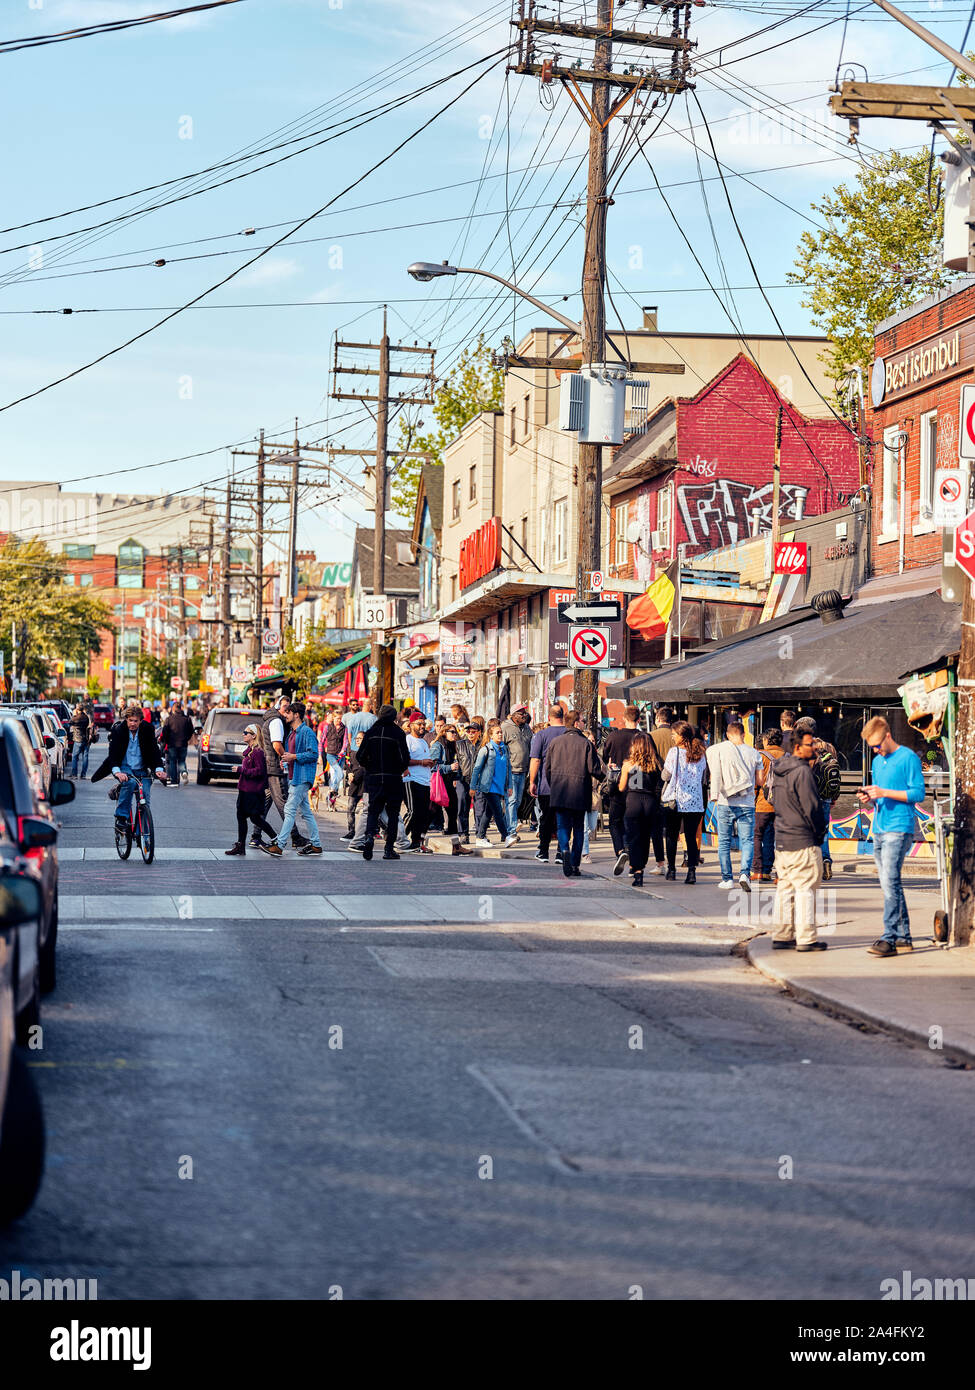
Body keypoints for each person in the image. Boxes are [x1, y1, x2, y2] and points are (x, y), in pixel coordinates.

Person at [859, 716, 926, 959]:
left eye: (877, 744)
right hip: (879, 827)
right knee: (890, 884)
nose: (876, 750)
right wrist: (871, 798)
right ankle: (904, 937)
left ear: (888, 735)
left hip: (899, 827)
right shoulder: (877, 762)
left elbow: (918, 793)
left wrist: (884, 792)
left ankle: (889, 937)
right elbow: (880, 795)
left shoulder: (908, 757)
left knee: (889, 883)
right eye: (872, 747)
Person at [769, 726, 828, 951]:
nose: (814, 747)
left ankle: (782, 935)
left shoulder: (780, 770)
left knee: (785, 888)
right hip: (802, 839)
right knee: (805, 889)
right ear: (797, 747)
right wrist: (819, 833)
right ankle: (806, 938)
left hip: (782, 840)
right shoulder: (802, 772)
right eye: (809, 744)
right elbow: (812, 807)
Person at [91, 702, 167, 835]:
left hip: (143, 768)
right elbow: (113, 753)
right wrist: (117, 772)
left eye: (136, 721)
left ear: (141, 721)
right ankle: (121, 818)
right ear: (126, 719)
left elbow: (154, 751)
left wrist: (159, 769)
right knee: (130, 782)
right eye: (130, 720)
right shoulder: (119, 730)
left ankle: (142, 833)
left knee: (145, 801)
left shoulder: (147, 729)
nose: (133, 723)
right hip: (125, 767)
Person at [706, 717, 764, 892]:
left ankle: (727, 878)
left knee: (724, 840)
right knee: (747, 840)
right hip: (747, 803)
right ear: (744, 734)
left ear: (727, 736)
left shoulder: (720, 751)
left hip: (725, 802)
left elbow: (714, 774)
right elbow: (760, 780)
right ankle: (745, 873)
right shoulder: (754, 753)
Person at [545, 711, 603, 878]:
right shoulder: (585, 744)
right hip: (579, 792)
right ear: (577, 723)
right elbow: (594, 769)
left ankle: (564, 850)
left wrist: (554, 785)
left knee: (563, 825)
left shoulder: (555, 742)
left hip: (560, 791)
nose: (585, 723)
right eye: (583, 721)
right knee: (578, 828)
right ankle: (575, 864)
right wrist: (605, 776)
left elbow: (547, 769)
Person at [260, 702, 322, 856]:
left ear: (296, 715)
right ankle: (316, 845)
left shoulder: (307, 732)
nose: (285, 715)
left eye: (288, 712)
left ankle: (279, 845)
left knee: (289, 809)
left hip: (302, 777)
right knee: (306, 812)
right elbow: (290, 754)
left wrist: (293, 757)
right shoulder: (292, 733)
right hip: (294, 776)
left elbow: (314, 754)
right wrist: (286, 760)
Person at [356, 703, 411, 861]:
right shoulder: (398, 733)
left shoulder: (371, 732)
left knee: (373, 811)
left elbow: (360, 756)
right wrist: (398, 768)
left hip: (374, 778)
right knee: (393, 814)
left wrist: (371, 767)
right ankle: (388, 849)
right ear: (394, 717)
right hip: (393, 779)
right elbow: (405, 758)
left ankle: (369, 837)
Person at [660, 721, 707, 883]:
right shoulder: (700, 752)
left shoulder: (674, 752)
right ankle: (691, 871)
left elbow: (666, 775)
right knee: (690, 837)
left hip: (676, 801)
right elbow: (703, 776)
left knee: (672, 836)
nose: (672, 737)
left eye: (674, 734)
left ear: (682, 736)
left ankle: (671, 870)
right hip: (695, 801)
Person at [795, 715, 841, 882]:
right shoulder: (829, 747)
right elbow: (835, 774)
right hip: (826, 796)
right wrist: (833, 796)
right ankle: (826, 859)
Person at [615, 733, 663, 888]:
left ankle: (637, 871)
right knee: (645, 837)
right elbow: (659, 786)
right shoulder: (656, 763)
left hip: (633, 801)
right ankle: (641, 865)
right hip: (650, 802)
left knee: (633, 838)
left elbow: (621, 787)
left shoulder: (628, 764)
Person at [261, 696, 308, 849]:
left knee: (266, 802)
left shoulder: (272, 719)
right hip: (275, 767)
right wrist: (285, 757)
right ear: (277, 707)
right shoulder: (276, 722)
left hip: (270, 766)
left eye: (289, 707)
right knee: (283, 804)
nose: (287, 710)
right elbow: (276, 744)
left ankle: (255, 835)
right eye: (285, 707)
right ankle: (295, 836)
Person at [602, 705, 644, 869]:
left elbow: (605, 757)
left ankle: (620, 850)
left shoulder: (614, 736)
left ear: (624, 718)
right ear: (639, 720)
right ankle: (631, 853)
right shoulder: (643, 737)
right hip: (638, 783)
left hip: (618, 783)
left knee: (614, 821)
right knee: (634, 822)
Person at [225, 725, 277, 855]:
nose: (243, 734)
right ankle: (241, 846)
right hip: (245, 790)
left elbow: (260, 771)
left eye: (246, 732)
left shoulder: (258, 752)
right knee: (245, 817)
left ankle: (276, 839)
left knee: (255, 818)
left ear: (254, 736)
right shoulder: (250, 751)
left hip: (253, 792)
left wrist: (241, 770)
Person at [528, 705, 568, 864]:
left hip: (547, 784)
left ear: (549, 717)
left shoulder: (541, 735)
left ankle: (543, 851)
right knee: (563, 819)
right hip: (567, 786)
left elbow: (535, 759)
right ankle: (560, 852)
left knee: (545, 819)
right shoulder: (569, 734)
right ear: (562, 716)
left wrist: (532, 781)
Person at [472, 724, 514, 847]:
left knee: (488, 812)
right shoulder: (486, 749)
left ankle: (480, 837)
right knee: (498, 812)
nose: (500, 734)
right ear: (490, 735)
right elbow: (477, 769)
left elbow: (508, 768)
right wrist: (472, 787)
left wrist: (509, 785)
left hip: (500, 786)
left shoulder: (504, 749)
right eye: (497, 733)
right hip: (488, 786)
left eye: (501, 732)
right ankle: (506, 836)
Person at [753, 728, 784, 882]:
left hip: (762, 804)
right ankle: (780, 874)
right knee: (780, 838)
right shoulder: (787, 756)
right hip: (783, 805)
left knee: (759, 835)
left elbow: (756, 782)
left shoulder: (760, 756)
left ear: (766, 741)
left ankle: (760, 871)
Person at [500, 704, 533, 838]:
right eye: (521, 713)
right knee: (512, 801)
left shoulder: (527, 728)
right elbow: (500, 749)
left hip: (524, 770)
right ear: (513, 715)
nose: (524, 715)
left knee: (518, 801)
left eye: (525, 713)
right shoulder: (505, 728)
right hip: (511, 770)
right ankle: (511, 831)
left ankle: (505, 827)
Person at [403, 719, 435, 852]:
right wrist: (422, 762)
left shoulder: (423, 741)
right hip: (411, 780)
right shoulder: (407, 740)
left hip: (425, 781)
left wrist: (429, 763)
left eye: (423, 724)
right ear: (411, 725)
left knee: (422, 814)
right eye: (419, 724)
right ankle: (398, 838)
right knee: (412, 811)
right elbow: (403, 760)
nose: (422, 726)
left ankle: (416, 842)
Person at [430, 723, 461, 840]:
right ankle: (417, 838)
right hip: (438, 783)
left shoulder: (453, 746)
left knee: (453, 811)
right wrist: (450, 768)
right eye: (452, 732)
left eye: (455, 732)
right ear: (444, 732)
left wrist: (456, 777)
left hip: (448, 783)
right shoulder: (438, 746)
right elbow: (433, 766)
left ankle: (455, 843)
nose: (454, 734)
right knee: (431, 812)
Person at [160, 699, 195, 786]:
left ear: (173, 709)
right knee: (181, 761)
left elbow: (164, 732)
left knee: (172, 761)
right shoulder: (187, 719)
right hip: (183, 743)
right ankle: (183, 772)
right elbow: (191, 731)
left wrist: (165, 741)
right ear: (181, 708)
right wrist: (186, 738)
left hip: (172, 744)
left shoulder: (169, 719)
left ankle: (174, 781)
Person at [453, 722, 476, 843]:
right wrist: (456, 778)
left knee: (479, 808)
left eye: (473, 731)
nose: (471, 734)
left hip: (478, 780)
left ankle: (480, 834)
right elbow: (455, 762)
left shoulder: (482, 745)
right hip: (463, 779)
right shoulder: (459, 744)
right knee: (462, 806)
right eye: (468, 731)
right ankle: (463, 833)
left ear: (478, 732)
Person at [323, 708, 345, 809]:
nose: (338, 721)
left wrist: (342, 751)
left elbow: (346, 742)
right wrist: (319, 755)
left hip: (340, 756)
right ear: (333, 718)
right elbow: (322, 740)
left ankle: (331, 799)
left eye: (340, 719)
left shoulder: (344, 728)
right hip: (331, 755)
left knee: (335, 778)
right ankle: (333, 792)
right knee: (338, 773)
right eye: (336, 719)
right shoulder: (328, 727)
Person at [68, 704, 92, 779]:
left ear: (77, 710)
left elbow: (70, 722)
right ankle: (83, 774)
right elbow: (88, 725)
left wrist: (74, 714)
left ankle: (74, 774)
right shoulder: (86, 717)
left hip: (78, 740)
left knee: (74, 757)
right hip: (86, 739)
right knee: (85, 757)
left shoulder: (75, 718)